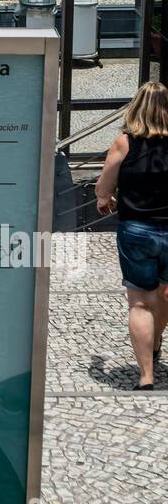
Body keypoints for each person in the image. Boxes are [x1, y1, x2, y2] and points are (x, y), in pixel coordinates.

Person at [96, 81, 168, 390]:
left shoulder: (124, 143)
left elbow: (102, 187)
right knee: (165, 294)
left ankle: (146, 377)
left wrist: (104, 199)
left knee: (140, 303)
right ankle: (154, 344)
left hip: (136, 229)